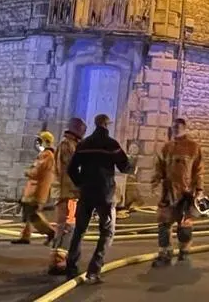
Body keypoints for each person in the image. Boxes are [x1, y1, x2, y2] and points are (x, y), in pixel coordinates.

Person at [64, 114, 132, 283]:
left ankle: (71, 267)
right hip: (105, 193)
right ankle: (94, 270)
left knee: (79, 230)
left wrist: (81, 183)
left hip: (86, 192)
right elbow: (124, 166)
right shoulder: (111, 145)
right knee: (107, 231)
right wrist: (132, 166)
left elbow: (72, 169)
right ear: (107, 125)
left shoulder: (83, 144)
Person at [151, 117, 204, 267]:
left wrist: (199, 190)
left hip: (185, 193)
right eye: (173, 128)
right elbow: (160, 166)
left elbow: (198, 171)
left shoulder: (193, 147)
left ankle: (184, 253)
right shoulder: (167, 147)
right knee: (163, 223)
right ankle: (165, 253)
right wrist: (156, 180)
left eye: (178, 128)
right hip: (168, 192)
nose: (175, 130)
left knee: (185, 226)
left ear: (184, 128)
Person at [48, 117, 87, 275]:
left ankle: (59, 259)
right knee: (66, 227)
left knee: (65, 226)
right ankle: (58, 262)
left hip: (67, 192)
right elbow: (72, 170)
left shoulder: (68, 145)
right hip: (68, 193)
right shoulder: (68, 146)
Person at [12, 131, 57, 244]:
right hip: (35, 189)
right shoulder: (48, 155)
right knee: (28, 214)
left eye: (39, 141)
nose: (37, 144)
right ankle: (25, 236)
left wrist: (28, 172)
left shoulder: (46, 155)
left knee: (33, 215)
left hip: (36, 190)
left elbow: (37, 171)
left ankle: (51, 232)